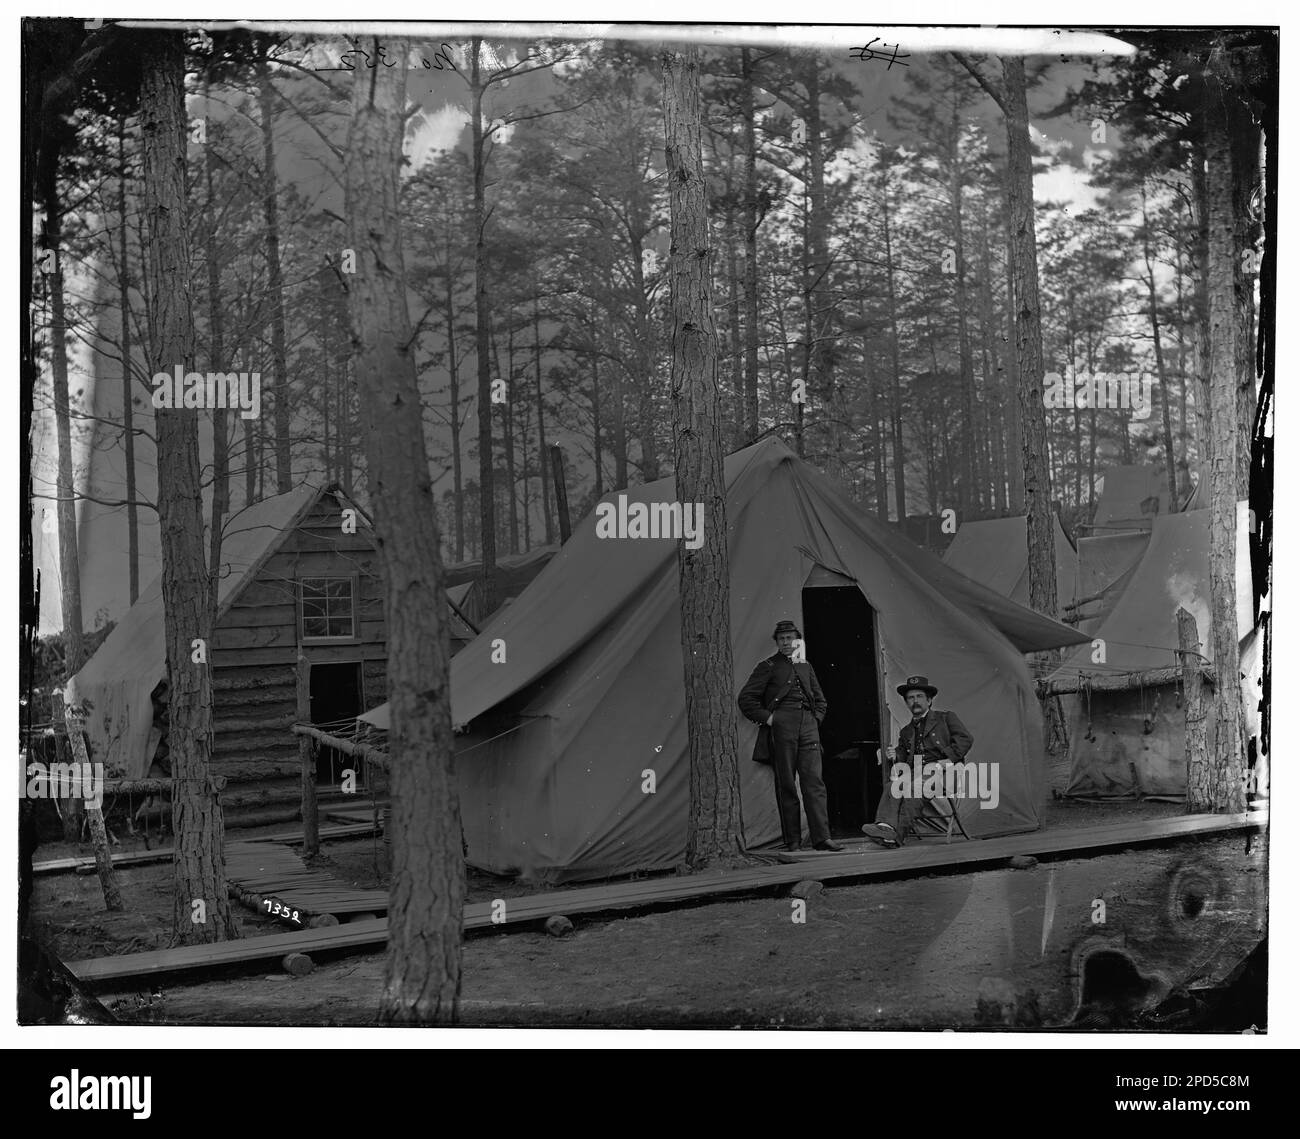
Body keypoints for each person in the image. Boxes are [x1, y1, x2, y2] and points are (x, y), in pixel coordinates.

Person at [738, 620, 844, 852]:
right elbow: (746, 699)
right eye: (782, 639)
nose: (786, 642)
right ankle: (793, 840)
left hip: (808, 726)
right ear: (777, 642)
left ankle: (822, 838)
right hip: (782, 726)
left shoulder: (806, 666)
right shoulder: (767, 666)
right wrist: (770, 719)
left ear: (798, 641)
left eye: (790, 638)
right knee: (786, 784)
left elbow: (821, 700)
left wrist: (815, 720)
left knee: (814, 783)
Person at [861, 675, 974, 848]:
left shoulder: (946, 718)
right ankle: (885, 827)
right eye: (911, 698)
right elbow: (904, 755)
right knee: (893, 785)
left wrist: (946, 761)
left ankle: (895, 837)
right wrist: (895, 754)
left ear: (929, 700)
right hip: (919, 772)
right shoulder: (906, 731)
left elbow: (965, 739)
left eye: (919, 696)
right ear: (906, 703)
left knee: (915, 787)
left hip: (946, 772)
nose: (915, 701)